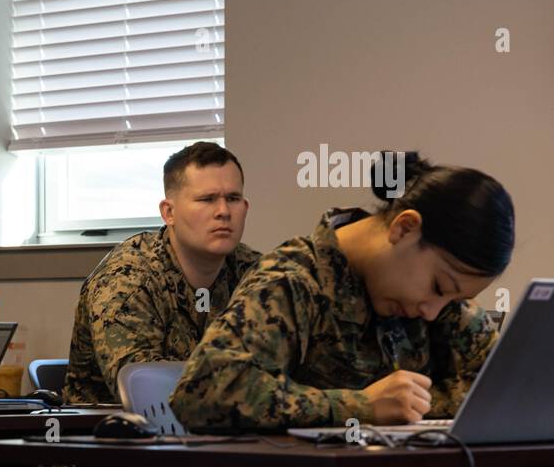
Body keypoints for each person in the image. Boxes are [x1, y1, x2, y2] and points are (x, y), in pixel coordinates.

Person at [170, 154, 513, 432]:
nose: (432, 311)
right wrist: (362, 406)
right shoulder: (294, 281)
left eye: (451, 300)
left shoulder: (436, 298)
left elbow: (506, 389)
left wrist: (413, 403)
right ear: (405, 228)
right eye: (438, 288)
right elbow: (204, 392)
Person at [64, 142, 260, 404]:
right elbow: (147, 391)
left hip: (226, 433)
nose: (223, 211)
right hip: (110, 435)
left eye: (233, 199)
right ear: (169, 212)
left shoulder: (253, 272)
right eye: (207, 199)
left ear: (245, 208)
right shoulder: (127, 278)